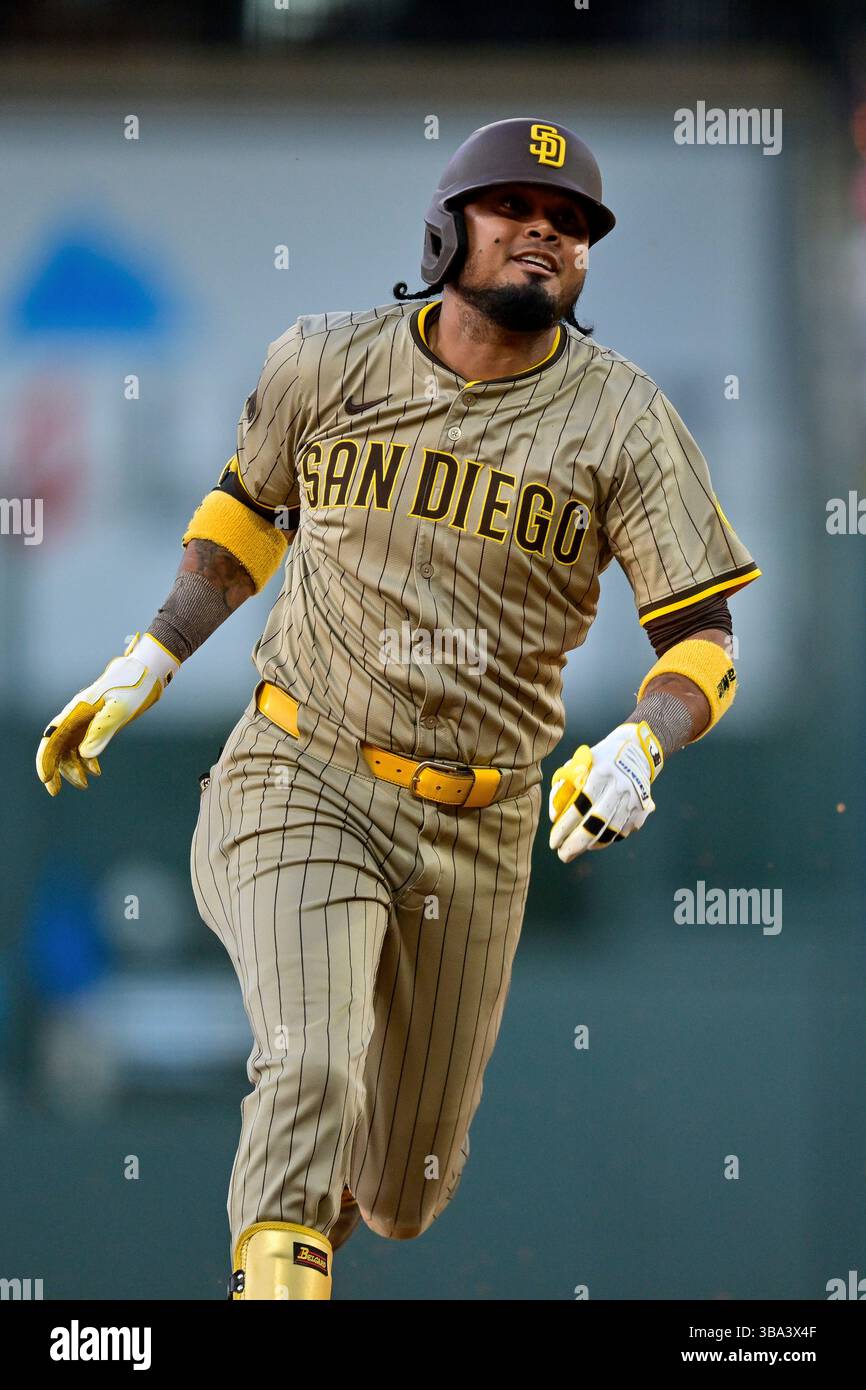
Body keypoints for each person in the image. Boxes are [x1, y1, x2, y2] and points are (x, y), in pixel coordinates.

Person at [36, 117, 760, 1300]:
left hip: (476, 825)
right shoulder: (325, 361)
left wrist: (644, 741)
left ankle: (302, 1244)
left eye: (570, 221)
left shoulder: (623, 418)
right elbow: (245, 513)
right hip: (300, 767)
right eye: (515, 206)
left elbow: (700, 635)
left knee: (403, 1191)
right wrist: (152, 653)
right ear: (445, 228)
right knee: (312, 1065)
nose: (545, 230)